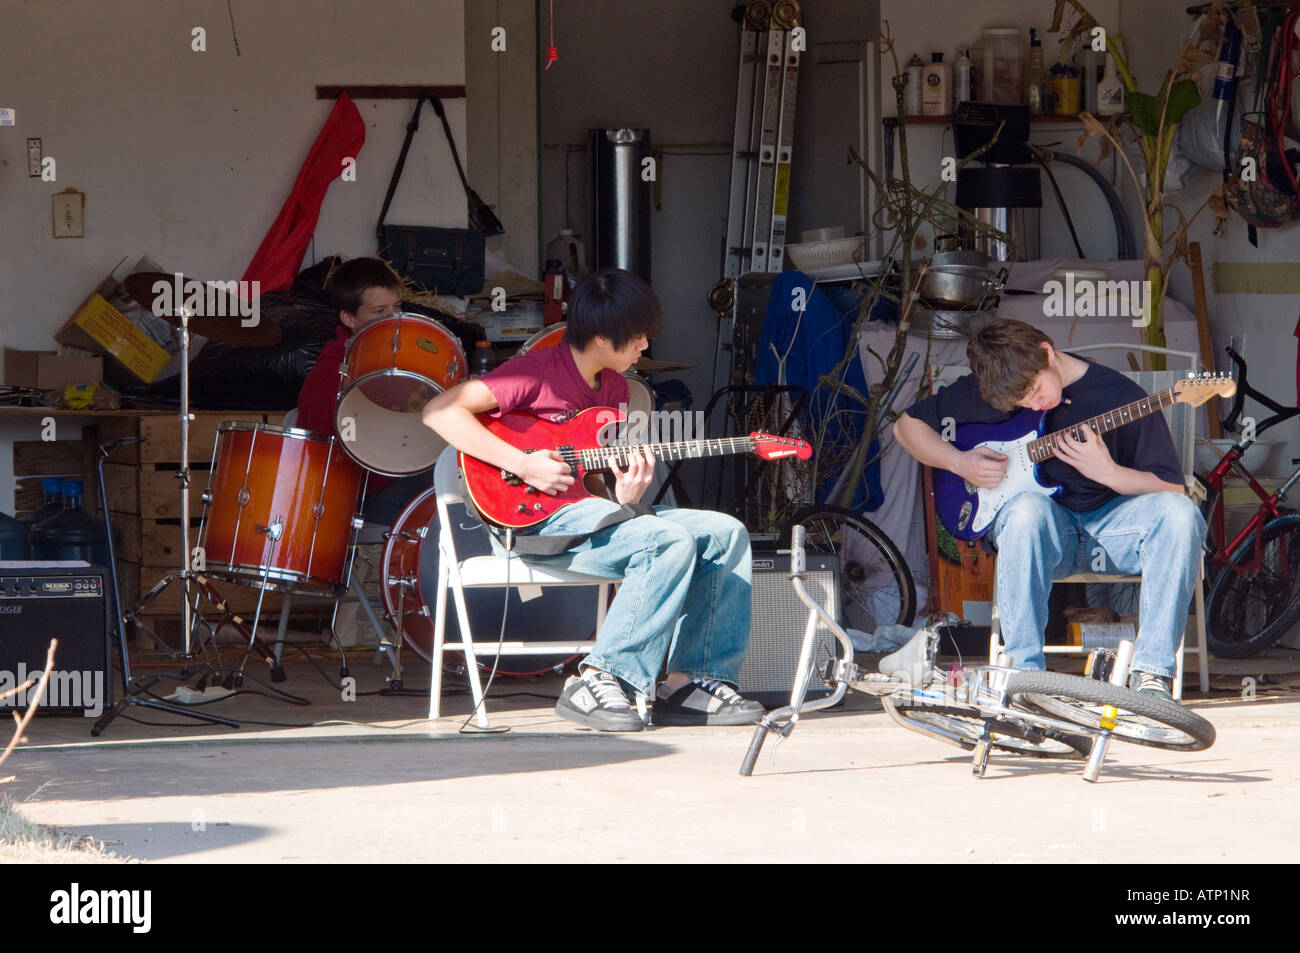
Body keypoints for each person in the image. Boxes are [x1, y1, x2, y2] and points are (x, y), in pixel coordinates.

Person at [422, 268, 763, 731]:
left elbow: (593, 484)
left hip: (589, 516)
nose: (645, 346)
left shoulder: (617, 390)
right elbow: (439, 411)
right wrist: (523, 464)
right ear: (603, 335)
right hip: (530, 520)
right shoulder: (533, 372)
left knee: (726, 533)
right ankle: (601, 677)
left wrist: (626, 496)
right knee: (665, 540)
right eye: (638, 336)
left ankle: (689, 682)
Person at [893, 318, 1205, 698]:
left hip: (1112, 532)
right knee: (1026, 511)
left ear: (1046, 352)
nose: (1032, 403)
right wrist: (958, 463)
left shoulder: (1119, 396)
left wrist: (1109, 472)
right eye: (1021, 402)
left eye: (1035, 390)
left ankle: (1152, 673)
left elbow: (1171, 488)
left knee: (1180, 514)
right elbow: (905, 427)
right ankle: (1024, 676)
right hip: (1043, 538)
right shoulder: (988, 390)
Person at [296, 257, 433, 523]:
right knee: (450, 487)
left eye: (397, 307)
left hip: (394, 475)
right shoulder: (332, 374)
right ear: (349, 318)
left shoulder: (395, 360)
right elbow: (332, 464)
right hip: (356, 499)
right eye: (379, 311)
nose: (394, 319)